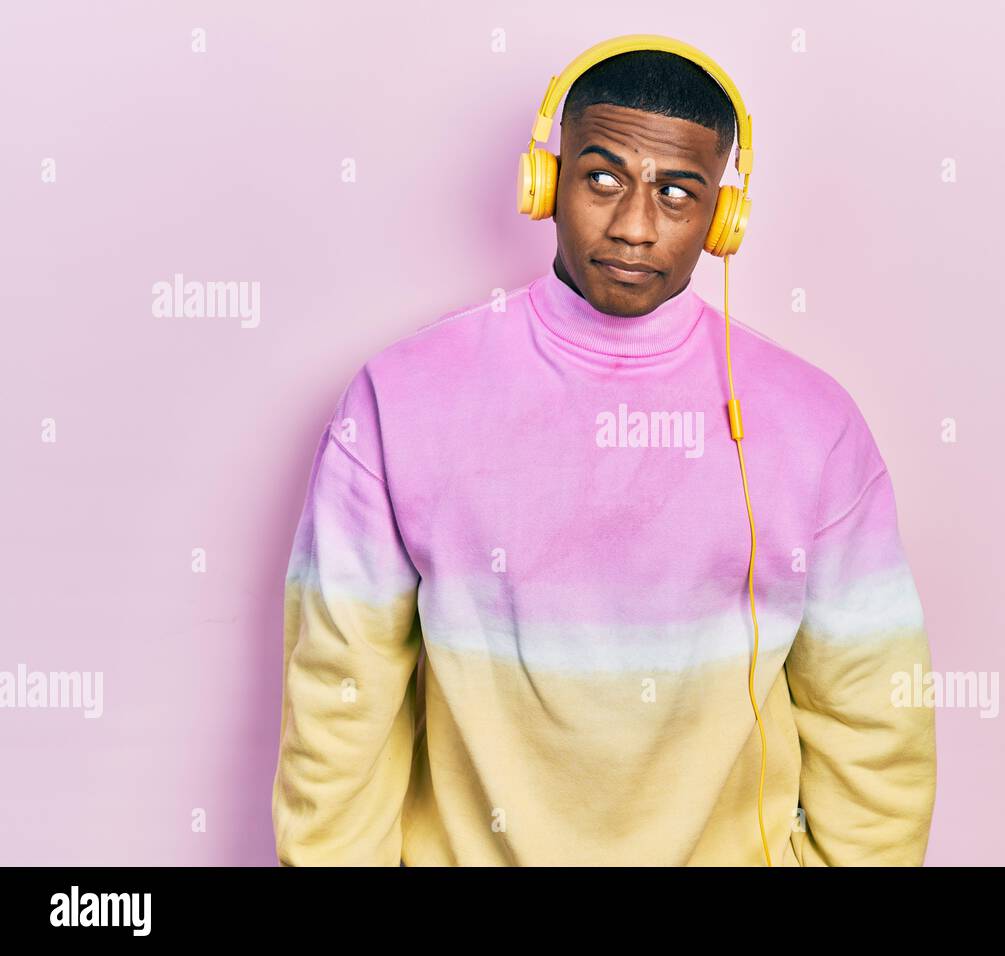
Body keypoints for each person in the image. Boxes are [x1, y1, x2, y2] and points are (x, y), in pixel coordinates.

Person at [271, 38, 936, 866]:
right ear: (545, 183)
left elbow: (873, 719)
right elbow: (340, 709)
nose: (634, 226)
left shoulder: (815, 423)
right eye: (602, 179)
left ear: (723, 218)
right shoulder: (397, 399)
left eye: (677, 193)